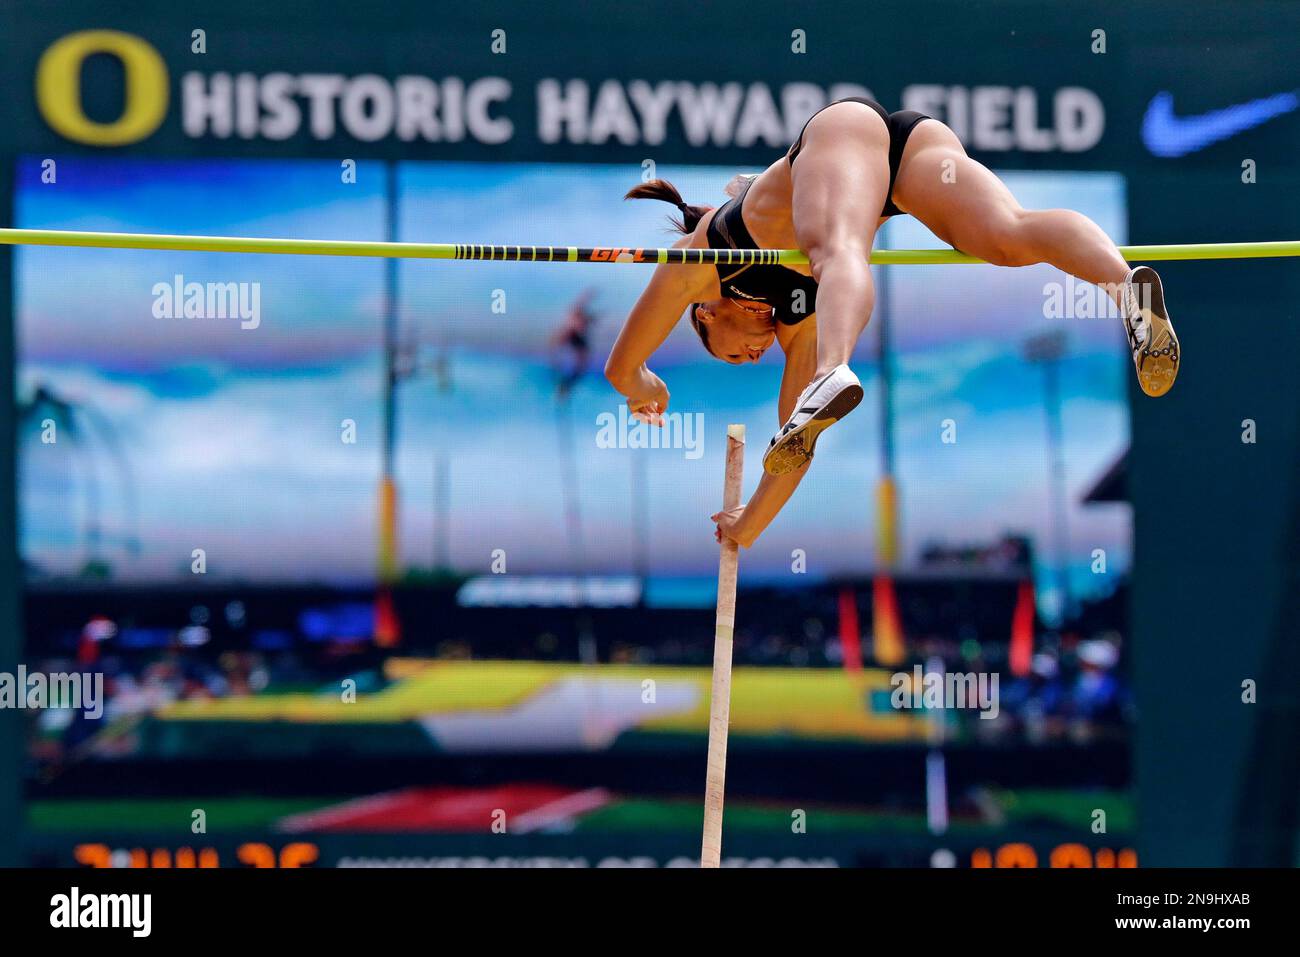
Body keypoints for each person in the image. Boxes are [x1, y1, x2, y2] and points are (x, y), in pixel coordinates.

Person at [604, 97, 1180, 548]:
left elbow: (622, 366)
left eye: (729, 353)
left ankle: (835, 372)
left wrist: (644, 386)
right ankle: (1128, 291)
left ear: (705, 315)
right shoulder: (802, 324)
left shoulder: (702, 263)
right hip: (905, 156)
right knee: (1008, 236)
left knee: (836, 251)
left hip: (843, 133)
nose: (750, 357)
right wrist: (747, 525)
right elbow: (794, 442)